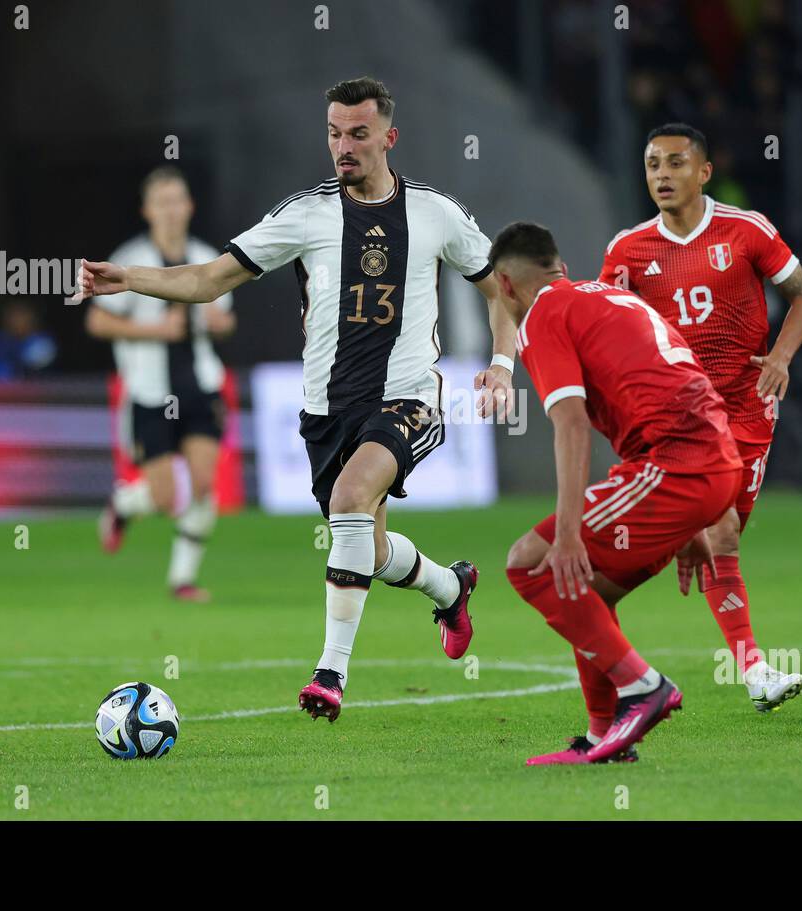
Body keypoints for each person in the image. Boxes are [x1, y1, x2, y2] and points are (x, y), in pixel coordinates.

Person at [77, 77, 518, 722]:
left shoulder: (435, 212)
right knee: (364, 547)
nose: (344, 146)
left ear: (389, 138)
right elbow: (208, 280)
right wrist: (131, 279)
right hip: (326, 413)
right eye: (335, 134)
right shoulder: (305, 215)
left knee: (348, 498)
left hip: (409, 399)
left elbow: (503, 288)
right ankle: (450, 587)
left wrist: (502, 365)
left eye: (359, 134)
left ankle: (329, 675)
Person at [495, 221, 742, 766]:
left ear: (506, 286)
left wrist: (565, 535)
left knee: (530, 564)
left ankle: (643, 687)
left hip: (679, 464)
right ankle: (603, 737)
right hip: (710, 464)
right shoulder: (607, 296)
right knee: (590, 590)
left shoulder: (542, 317)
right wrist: (691, 525)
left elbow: (572, 425)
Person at [599, 123, 802, 713]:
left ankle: (628, 626)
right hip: (680, 414)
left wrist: (781, 357)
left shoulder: (745, 230)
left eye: (674, 164)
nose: (662, 176)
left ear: (703, 171)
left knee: (721, 537)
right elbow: (607, 328)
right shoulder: (627, 250)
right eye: (651, 166)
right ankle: (754, 672)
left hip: (747, 407)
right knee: (717, 536)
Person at [87, 166, 235, 603]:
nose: (171, 210)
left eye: (178, 200)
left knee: (206, 485)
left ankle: (182, 580)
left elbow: (227, 320)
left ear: (189, 206)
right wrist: (155, 332)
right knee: (165, 496)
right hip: (150, 392)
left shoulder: (209, 257)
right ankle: (123, 505)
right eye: (162, 202)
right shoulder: (130, 260)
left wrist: (216, 321)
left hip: (200, 386)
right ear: (147, 211)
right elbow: (96, 319)